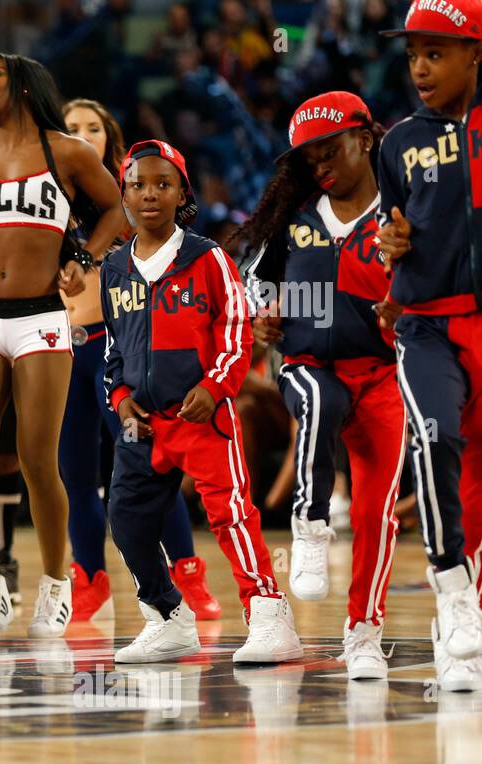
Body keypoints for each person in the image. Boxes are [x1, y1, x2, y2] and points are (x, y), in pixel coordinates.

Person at [0, 54, 125, 639]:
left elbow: (116, 208)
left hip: (42, 317)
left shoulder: (66, 151)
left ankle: (56, 585)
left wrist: (83, 259)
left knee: (39, 459)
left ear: (21, 84)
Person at [101, 139, 301, 664]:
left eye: (162, 184)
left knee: (230, 514)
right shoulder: (114, 268)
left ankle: (269, 614)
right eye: (138, 184)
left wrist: (213, 389)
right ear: (123, 193)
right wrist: (121, 400)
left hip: (202, 416)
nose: (149, 194)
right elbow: (113, 351)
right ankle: (167, 617)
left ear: (181, 194)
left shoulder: (207, 257)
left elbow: (236, 332)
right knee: (124, 517)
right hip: (141, 425)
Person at [239, 92, 403, 680]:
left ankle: (363, 632)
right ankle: (309, 526)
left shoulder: (400, 213)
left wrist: (403, 310)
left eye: (329, 151)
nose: (320, 166)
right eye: (309, 159)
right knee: (317, 400)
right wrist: (263, 316)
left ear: (364, 138)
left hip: (384, 375)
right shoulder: (297, 217)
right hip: (309, 363)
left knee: (376, 514)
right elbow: (252, 282)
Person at [58, 97, 221, 622]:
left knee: (154, 460)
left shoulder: (135, 197)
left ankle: (188, 572)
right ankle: (89, 578)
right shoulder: (42, 201)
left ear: (110, 137)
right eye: (69, 128)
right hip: (59, 350)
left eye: (91, 126)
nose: (81, 135)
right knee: (76, 475)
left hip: (119, 351)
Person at [376, 1, 482, 692]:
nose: (420, 65)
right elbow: (389, 228)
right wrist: (389, 245)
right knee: (436, 436)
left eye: (437, 51)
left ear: (475, 53)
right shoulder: (397, 143)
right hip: (427, 324)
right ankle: (450, 591)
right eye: (414, 51)